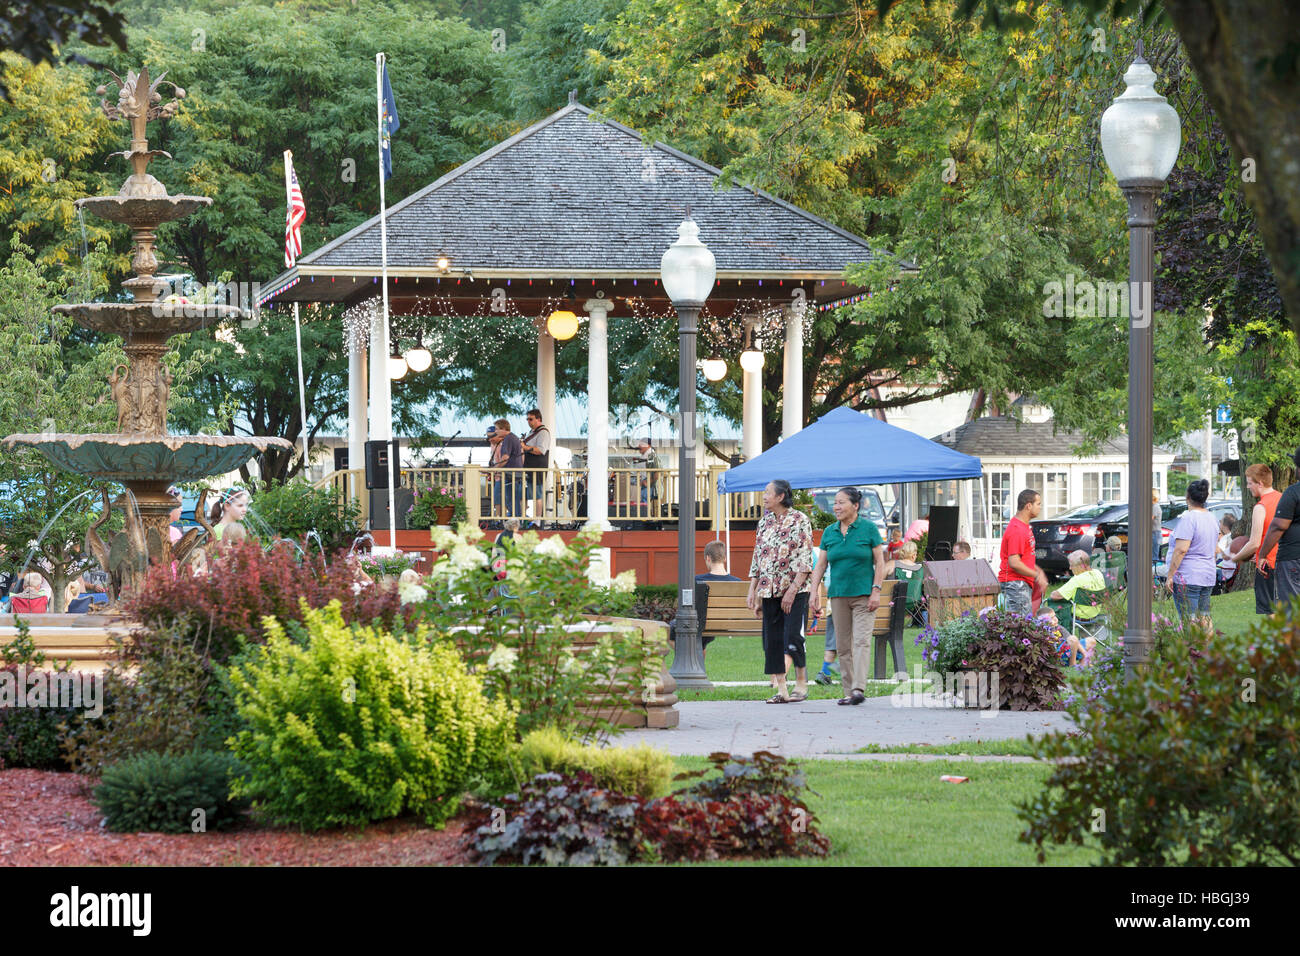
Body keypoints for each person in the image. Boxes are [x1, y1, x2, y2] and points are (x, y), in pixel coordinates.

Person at [809, 487, 885, 706]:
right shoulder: (829, 532)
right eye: (835, 503)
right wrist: (814, 592)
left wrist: (876, 590)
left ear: (856, 506)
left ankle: (859, 688)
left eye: (841, 502)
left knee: (861, 641)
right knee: (843, 646)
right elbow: (821, 564)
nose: (836, 507)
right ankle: (848, 691)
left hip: (864, 595)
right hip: (838, 595)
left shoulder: (869, 529)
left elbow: (880, 562)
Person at [746, 479, 814, 704]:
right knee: (772, 641)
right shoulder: (764, 522)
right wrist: (752, 590)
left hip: (795, 589)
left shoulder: (800, 520)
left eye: (767, 493)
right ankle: (782, 690)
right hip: (768, 590)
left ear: (780, 496)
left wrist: (792, 590)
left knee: (794, 637)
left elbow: (806, 558)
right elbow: (758, 557)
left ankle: (801, 683)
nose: (764, 496)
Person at [667, 541, 740, 658]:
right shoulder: (737, 583)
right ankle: (697, 664)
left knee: (670, 629)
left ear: (708, 558)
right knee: (701, 636)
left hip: (701, 624)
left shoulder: (697, 580)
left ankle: (689, 660)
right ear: (725, 558)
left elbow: (687, 606)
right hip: (725, 624)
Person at [1228, 463, 1283, 614]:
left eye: (1249, 483)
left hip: (1268, 566)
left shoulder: (1261, 507)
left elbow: (1254, 542)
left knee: (1271, 613)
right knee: (1286, 611)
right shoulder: (1284, 499)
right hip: (1287, 564)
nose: (1247, 487)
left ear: (1260, 483)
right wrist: (1258, 554)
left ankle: (1279, 639)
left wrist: (1235, 558)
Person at [1163, 479, 1219, 627]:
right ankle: (1209, 649)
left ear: (1188, 497)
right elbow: (1215, 548)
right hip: (1207, 574)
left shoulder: (1189, 518)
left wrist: (1170, 575)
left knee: (1190, 619)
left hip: (1188, 576)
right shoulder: (1212, 518)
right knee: (1205, 617)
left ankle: (1193, 648)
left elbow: (1181, 549)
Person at [1048, 549, 1107, 662]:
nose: (1070, 568)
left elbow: (1054, 595)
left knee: (1056, 610)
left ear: (1081, 566)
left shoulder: (1077, 580)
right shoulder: (1098, 573)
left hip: (1079, 616)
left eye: (1071, 566)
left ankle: (1061, 646)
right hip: (1095, 613)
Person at [1259, 446, 1300, 606]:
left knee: (1292, 611)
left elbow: (1278, 526)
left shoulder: (1293, 492)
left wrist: (1262, 554)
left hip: (1293, 558)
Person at [998, 489, 1048, 616]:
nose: (1040, 508)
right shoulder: (1017, 530)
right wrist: (1037, 576)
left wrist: (1038, 570)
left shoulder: (1024, 526)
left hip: (1020, 584)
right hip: (1015, 586)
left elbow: (1024, 558)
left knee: (1023, 626)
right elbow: (1014, 563)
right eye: (1038, 504)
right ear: (1028, 506)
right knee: (1020, 628)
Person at [520, 408, 552, 524]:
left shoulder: (543, 432)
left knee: (537, 494)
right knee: (523, 494)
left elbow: (541, 450)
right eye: (527, 419)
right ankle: (526, 518)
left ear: (538, 419)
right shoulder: (531, 433)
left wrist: (525, 447)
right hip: (529, 468)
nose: (528, 421)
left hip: (537, 468)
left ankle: (538, 520)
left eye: (531, 419)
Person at [488, 419, 524, 518]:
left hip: (511, 473)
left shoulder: (508, 439)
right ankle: (515, 519)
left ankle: (516, 521)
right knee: (512, 498)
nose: (495, 432)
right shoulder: (513, 437)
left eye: (497, 429)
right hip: (514, 473)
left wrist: (495, 469)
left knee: (511, 499)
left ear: (503, 428)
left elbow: (505, 458)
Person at [633, 438, 659, 513]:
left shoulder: (651, 455)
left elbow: (657, 471)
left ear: (648, 445)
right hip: (641, 484)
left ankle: (644, 520)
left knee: (644, 503)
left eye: (641, 444)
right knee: (642, 503)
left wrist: (648, 481)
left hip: (646, 485)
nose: (639, 446)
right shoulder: (645, 456)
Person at [1215, 513, 1237, 585]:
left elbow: (1218, 551)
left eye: (1220, 521)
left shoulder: (1226, 538)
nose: (1219, 522)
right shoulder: (1230, 536)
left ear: (1224, 525)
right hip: (1227, 566)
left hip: (1223, 567)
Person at [1151, 490, 1163, 567]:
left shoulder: (1155, 507)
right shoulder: (1154, 506)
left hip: (1155, 532)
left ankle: (1154, 575)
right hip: (1155, 532)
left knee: (1154, 556)